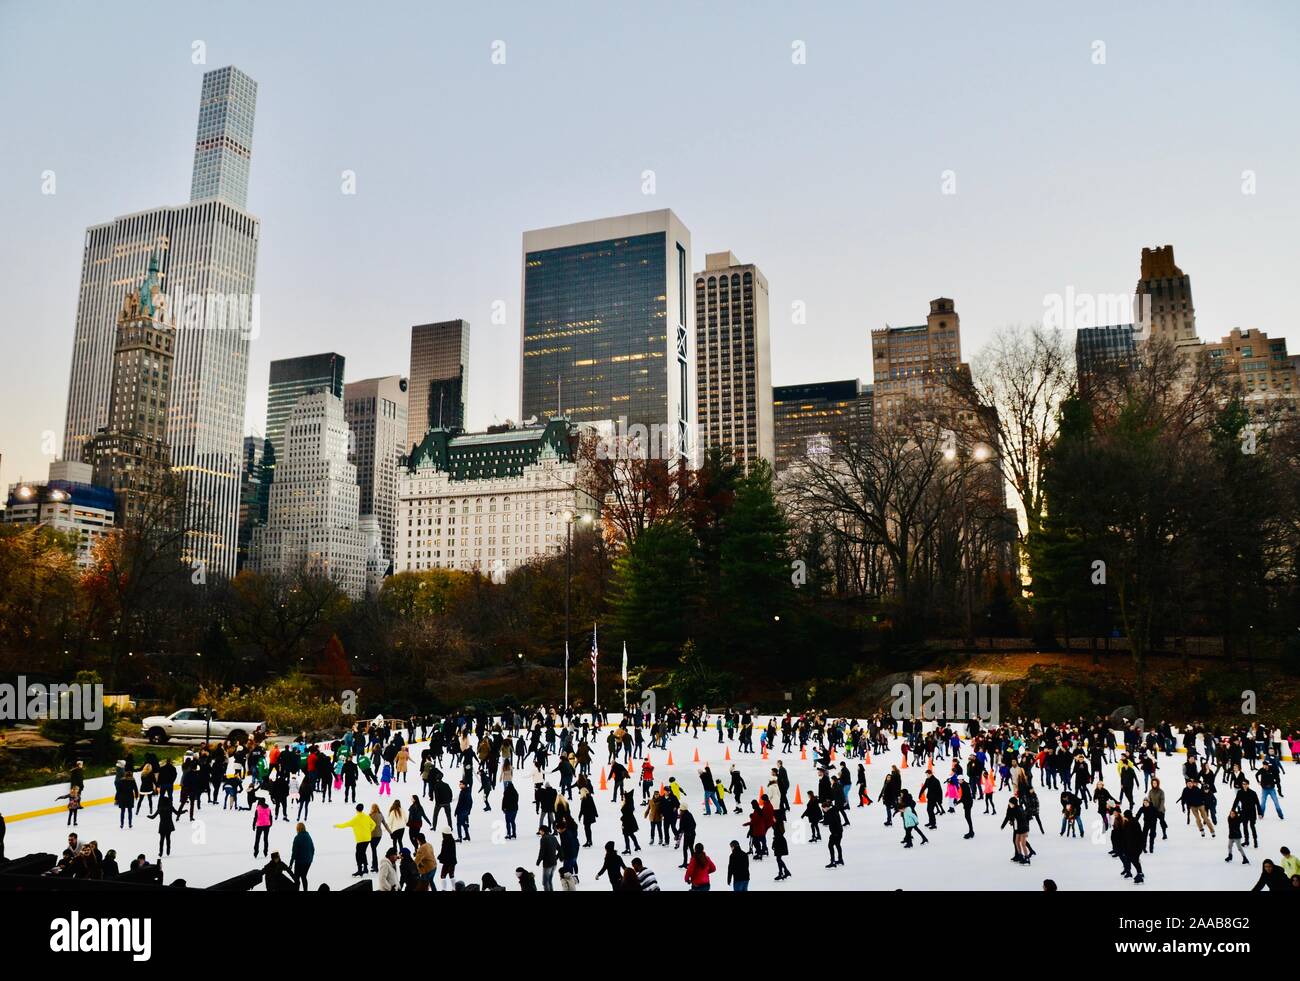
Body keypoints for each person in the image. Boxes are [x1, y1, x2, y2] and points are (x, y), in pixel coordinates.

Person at [334, 802, 376, 877]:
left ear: (356, 809)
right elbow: (374, 824)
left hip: (361, 839)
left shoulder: (356, 819)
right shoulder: (366, 816)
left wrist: (337, 825)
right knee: (363, 853)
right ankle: (365, 868)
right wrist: (369, 830)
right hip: (367, 838)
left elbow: (345, 824)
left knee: (358, 854)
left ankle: (360, 870)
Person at [290, 822, 314, 891]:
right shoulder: (308, 836)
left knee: (297, 878)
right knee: (303, 876)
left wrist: (291, 863)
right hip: (308, 862)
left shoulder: (297, 838)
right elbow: (313, 849)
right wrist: (310, 859)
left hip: (300, 862)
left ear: (297, 829)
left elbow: (294, 852)